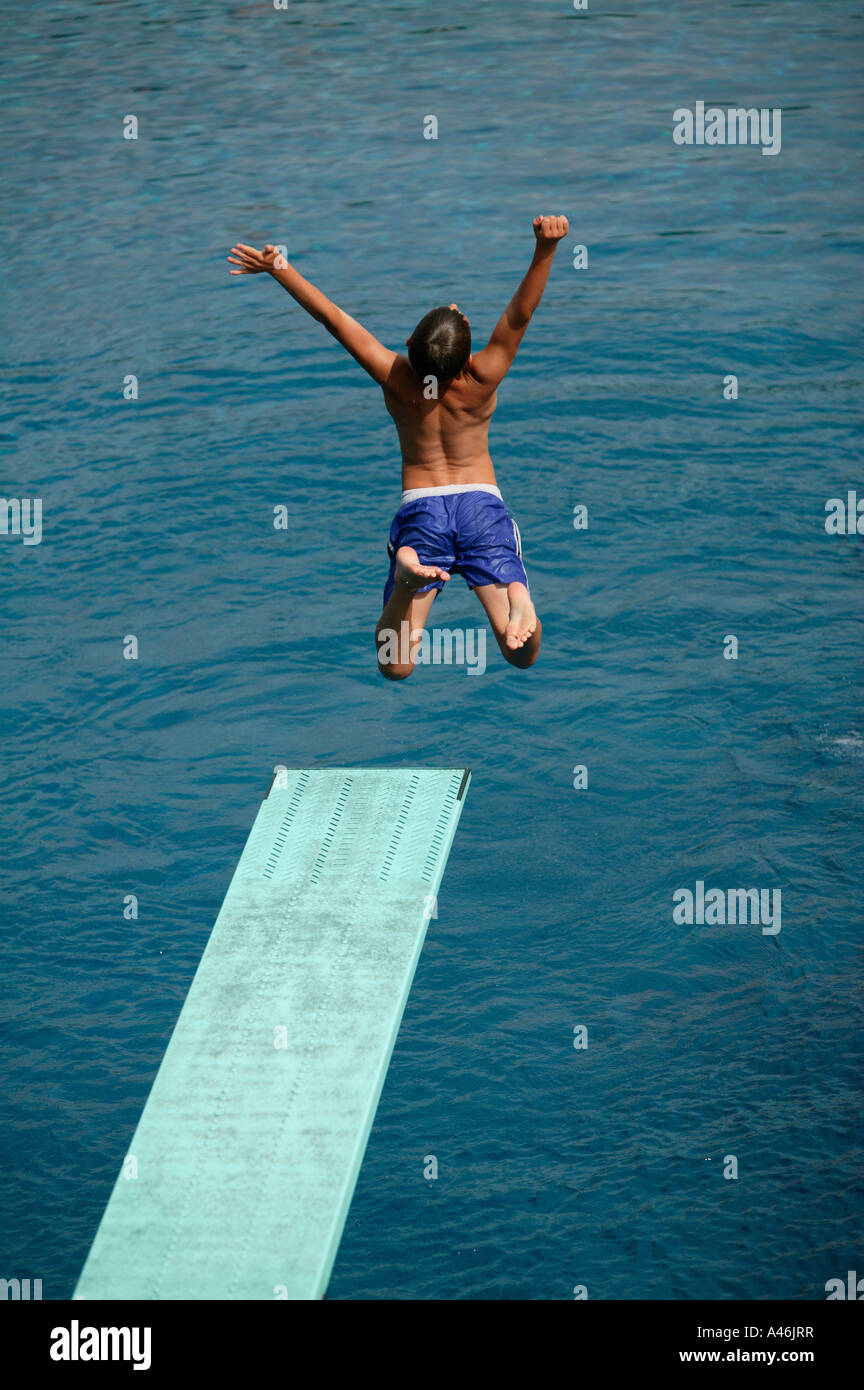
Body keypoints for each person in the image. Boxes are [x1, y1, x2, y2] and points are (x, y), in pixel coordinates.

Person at [227, 214, 569, 678]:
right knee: (520, 656)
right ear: (466, 357)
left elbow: (332, 317)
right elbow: (520, 315)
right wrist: (546, 248)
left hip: (422, 509)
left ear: (409, 344)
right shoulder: (483, 376)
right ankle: (519, 596)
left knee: (396, 667)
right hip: (480, 505)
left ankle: (406, 587)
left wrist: (278, 267)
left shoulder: (394, 375)